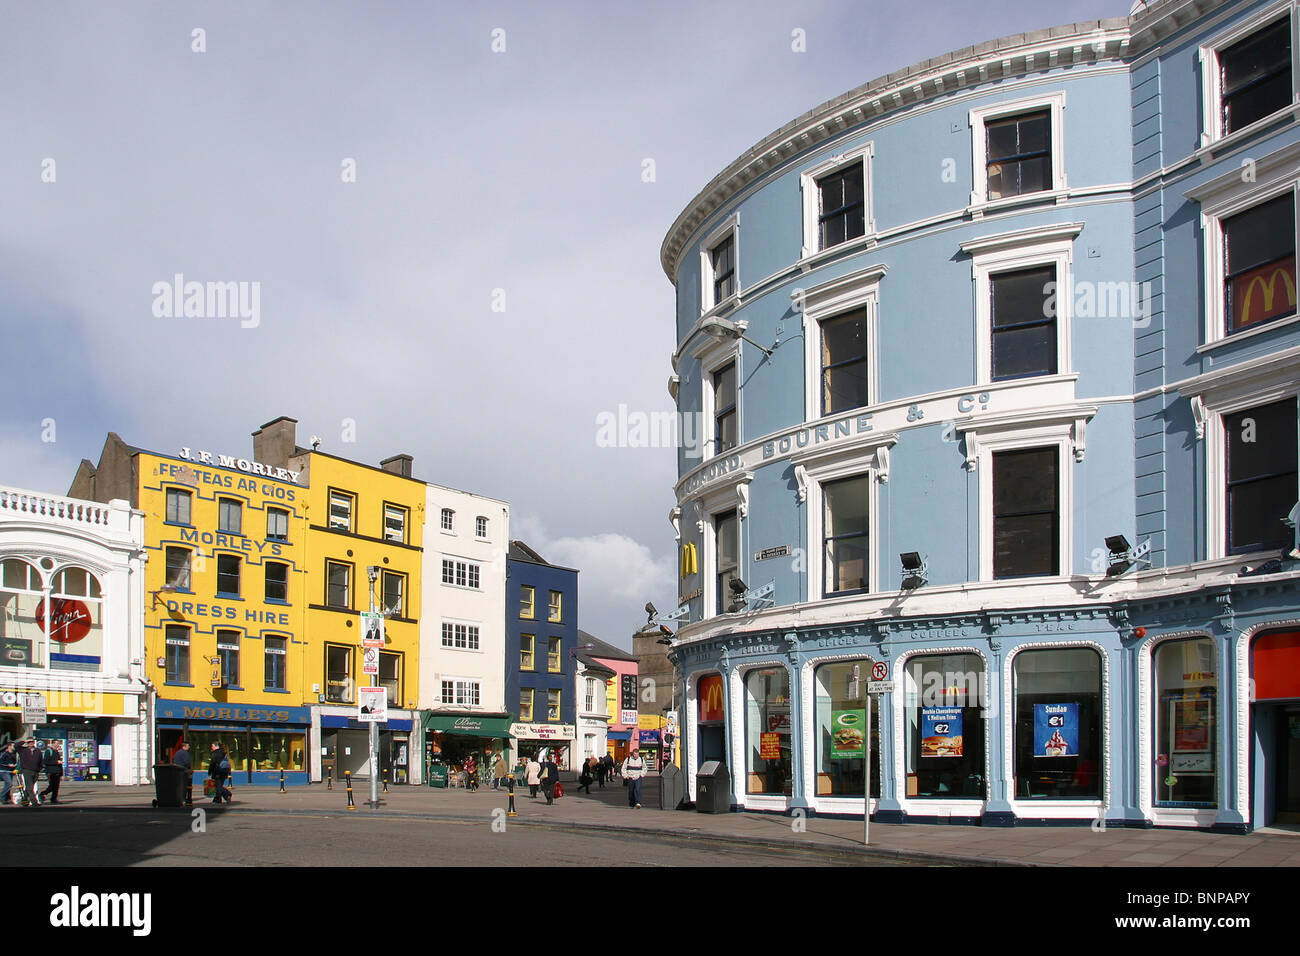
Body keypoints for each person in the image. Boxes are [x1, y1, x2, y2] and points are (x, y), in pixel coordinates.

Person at [17, 739, 42, 807]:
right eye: (29, 742)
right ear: (27, 743)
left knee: (29, 787)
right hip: (27, 770)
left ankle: (24, 801)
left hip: (35, 771)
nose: (30, 744)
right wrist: (24, 741)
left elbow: (40, 761)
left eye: (32, 742)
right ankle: (34, 802)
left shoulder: (37, 751)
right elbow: (16, 745)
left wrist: (39, 769)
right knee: (30, 787)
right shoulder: (23, 750)